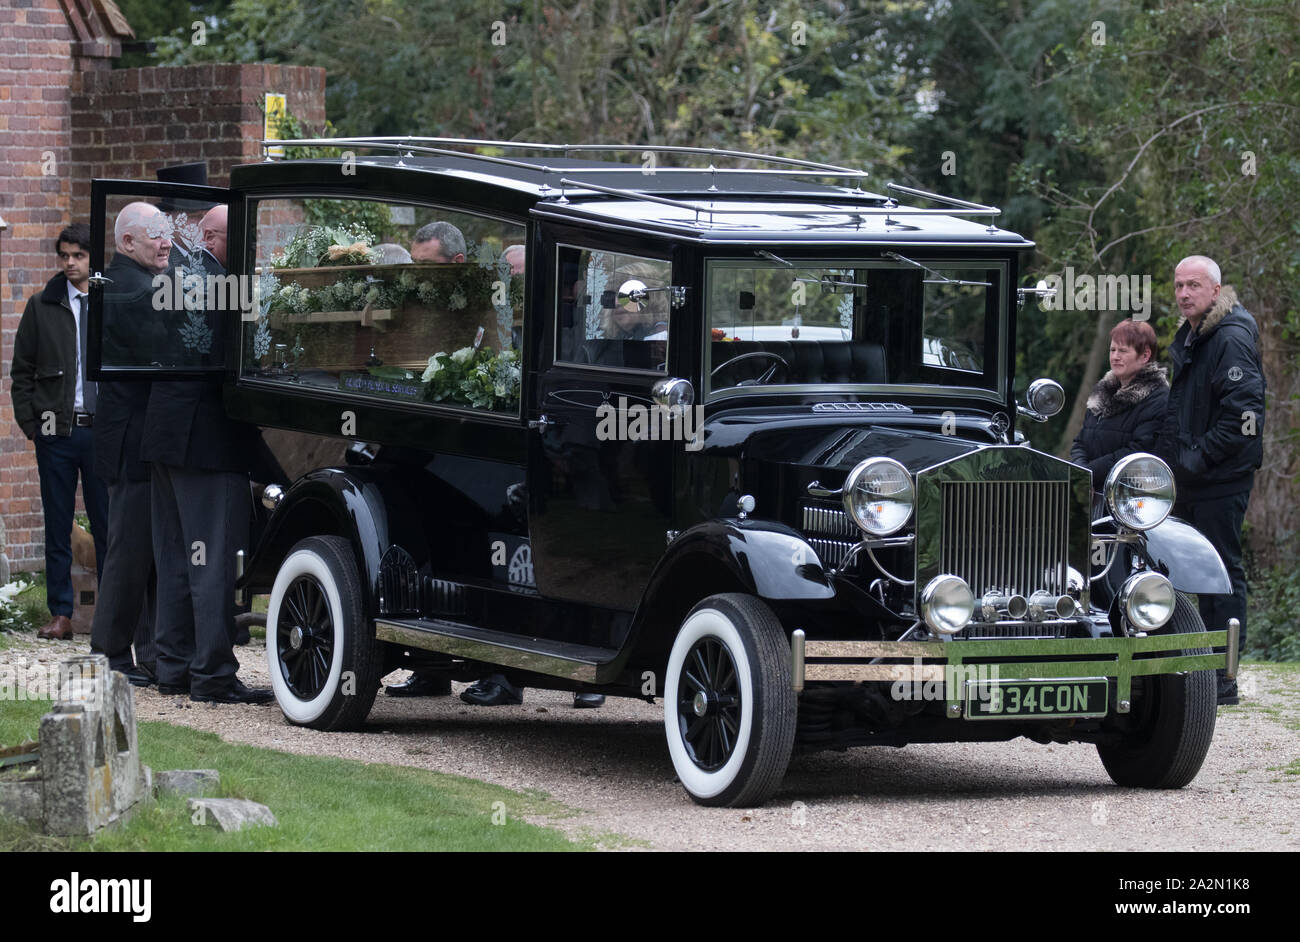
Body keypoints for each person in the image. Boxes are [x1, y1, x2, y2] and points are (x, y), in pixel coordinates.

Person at [142, 203, 273, 705]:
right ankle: (213, 673)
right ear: (219, 238)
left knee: (176, 559)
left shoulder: (174, 276)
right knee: (212, 562)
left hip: (167, 436)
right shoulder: (220, 284)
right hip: (208, 440)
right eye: (245, 239)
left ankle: (174, 666)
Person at [1160, 255, 1265, 706]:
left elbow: (1245, 418)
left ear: (1216, 290)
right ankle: (1195, 673)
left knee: (1221, 573)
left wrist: (1194, 461)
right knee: (1184, 573)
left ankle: (1224, 679)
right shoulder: (1195, 335)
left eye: (1194, 286)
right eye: (1179, 286)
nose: (1184, 293)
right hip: (1191, 479)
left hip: (1220, 479)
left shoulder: (1230, 337)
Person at [10, 223, 110, 641]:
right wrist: (33, 426)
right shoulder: (42, 305)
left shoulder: (111, 301)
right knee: (58, 523)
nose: (70, 263)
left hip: (104, 432)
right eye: (64, 256)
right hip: (57, 433)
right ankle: (61, 613)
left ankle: (111, 613)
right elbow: (22, 372)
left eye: (78, 256)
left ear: (91, 258)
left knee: (110, 522)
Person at [88, 204, 172, 683]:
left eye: (167, 233)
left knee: (148, 552)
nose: (166, 242)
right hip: (132, 441)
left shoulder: (131, 283)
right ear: (127, 244)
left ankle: (153, 653)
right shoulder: (133, 289)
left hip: (139, 438)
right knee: (130, 552)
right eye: (155, 235)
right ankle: (110, 654)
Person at [1070, 318, 1169, 486]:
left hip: (1130, 500)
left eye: (1122, 351)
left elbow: (1137, 452)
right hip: (1089, 492)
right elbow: (1080, 442)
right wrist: (1080, 471)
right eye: (1112, 350)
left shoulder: (1158, 399)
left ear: (1145, 355)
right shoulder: (1101, 392)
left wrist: (1087, 474)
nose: (1115, 357)